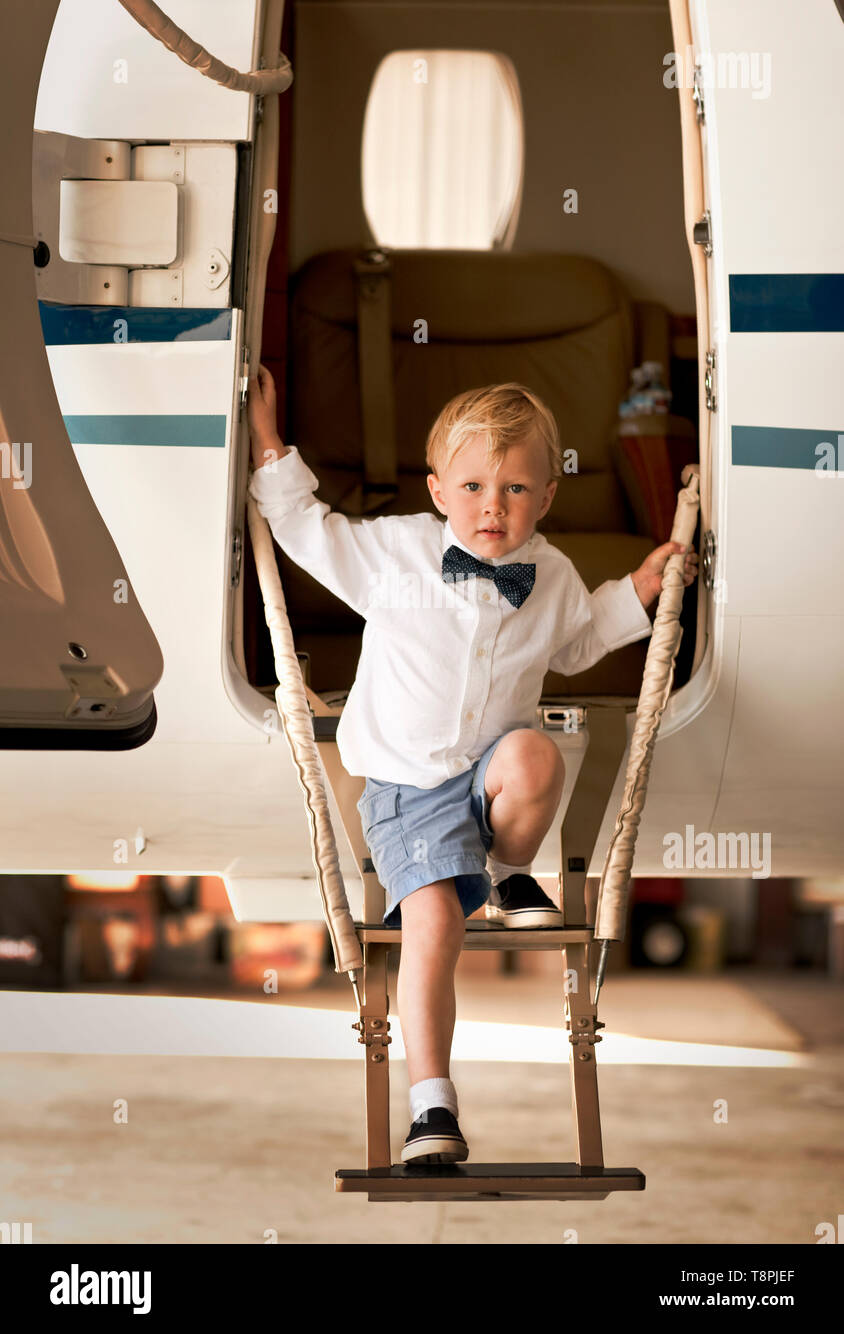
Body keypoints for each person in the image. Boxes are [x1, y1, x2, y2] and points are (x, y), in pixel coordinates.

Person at [246, 366, 698, 1164]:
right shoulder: (395, 554)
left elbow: (583, 636)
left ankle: (507, 870)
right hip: (409, 792)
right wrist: (268, 441)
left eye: (518, 488)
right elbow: (306, 527)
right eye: (476, 485)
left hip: (488, 777)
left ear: (549, 497)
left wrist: (640, 587)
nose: (495, 506)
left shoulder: (550, 576)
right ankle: (432, 1106)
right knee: (433, 927)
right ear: (438, 490)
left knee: (534, 756)